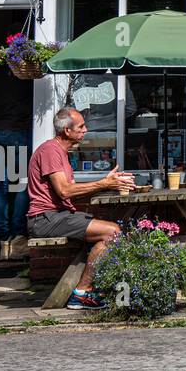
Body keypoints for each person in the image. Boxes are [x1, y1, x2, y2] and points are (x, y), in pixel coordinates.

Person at [25, 108, 131, 310]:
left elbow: (69, 192)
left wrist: (111, 184)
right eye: (81, 126)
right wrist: (104, 184)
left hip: (57, 216)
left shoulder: (61, 152)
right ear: (67, 130)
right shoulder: (50, 151)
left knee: (111, 229)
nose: (86, 130)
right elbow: (65, 191)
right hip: (44, 219)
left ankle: (94, 288)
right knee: (113, 233)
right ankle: (81, 293)